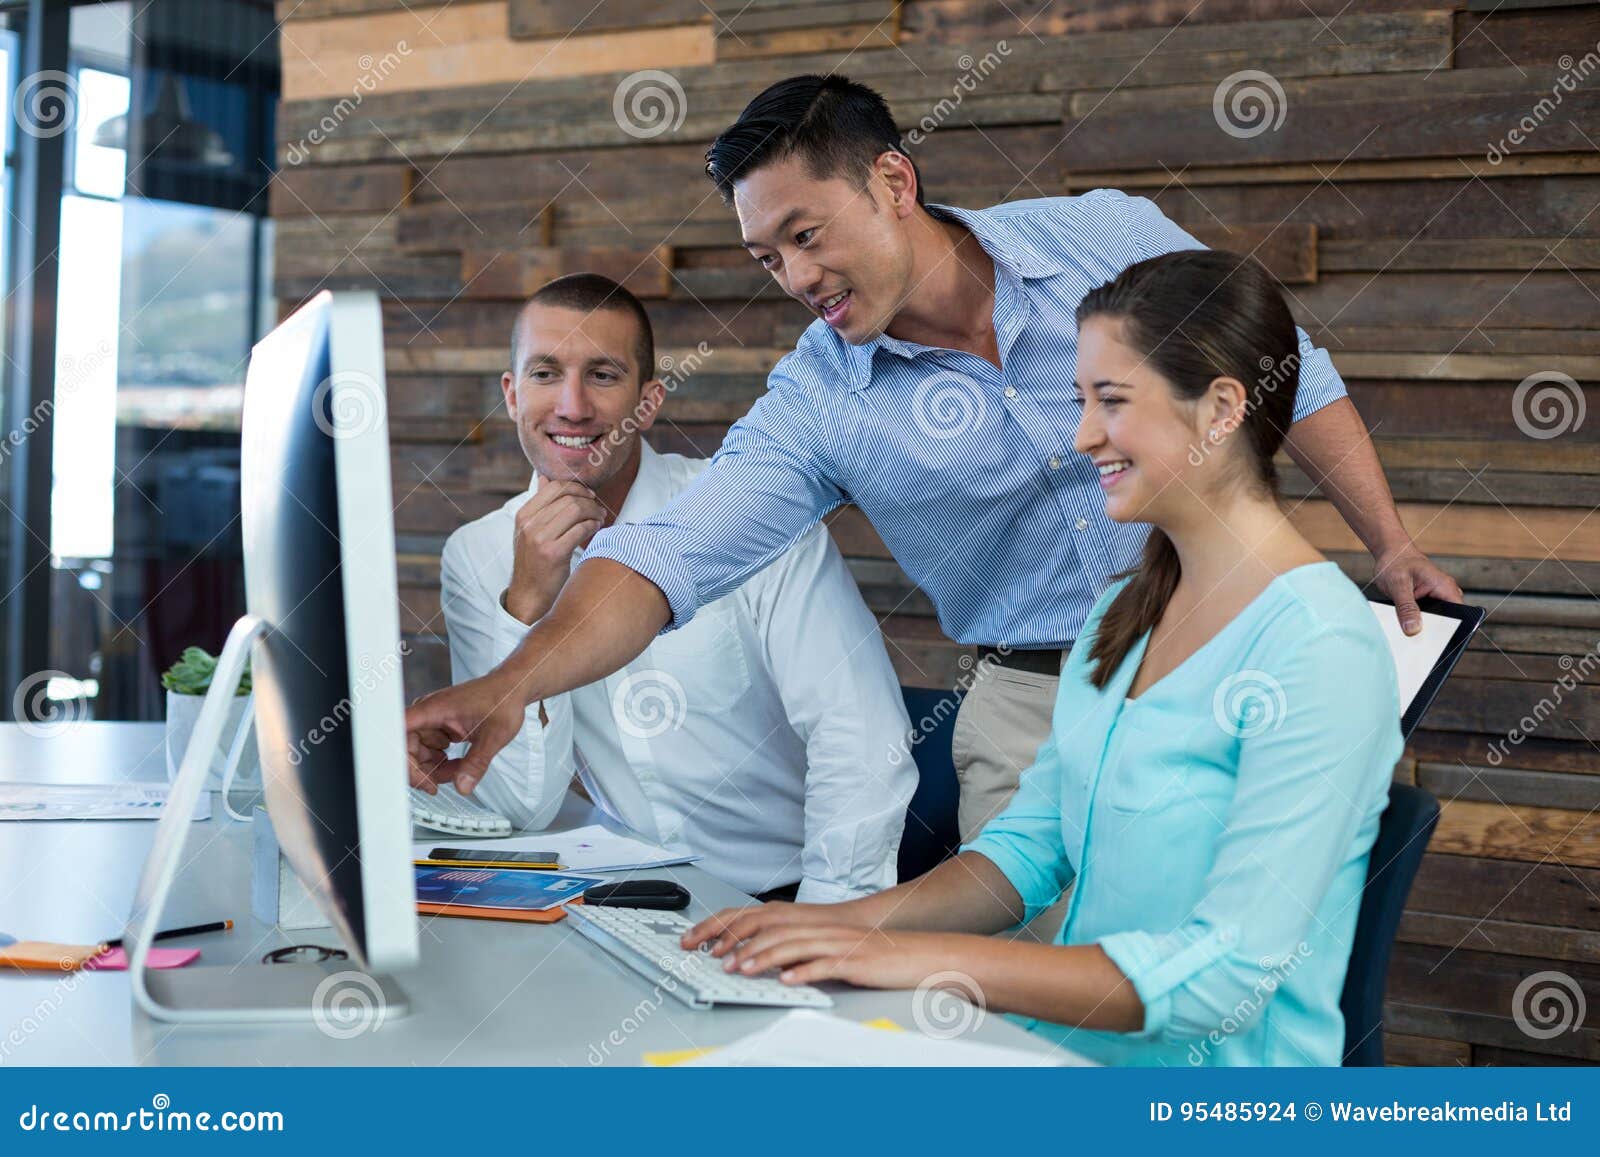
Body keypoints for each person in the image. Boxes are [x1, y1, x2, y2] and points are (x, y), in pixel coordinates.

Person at [406, 74, 1454, 845]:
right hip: (1039, 706)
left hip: (1239, 653)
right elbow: (665, 558)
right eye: (769, 257)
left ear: (893, 180)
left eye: (808, 235)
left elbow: (1286, 369)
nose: (796, 278)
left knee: (1257, 975)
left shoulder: (1103, 238)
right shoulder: (818, 399)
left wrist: (1391, 544)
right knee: (1043, 1022)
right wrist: (509, 684)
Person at [680, 250, 1405, 1067]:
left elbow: (1223, 975)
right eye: (1080, 400)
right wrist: (834, 925)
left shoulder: (1319, 645)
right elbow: (1026, 851)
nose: (1082, 435)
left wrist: (912, 959)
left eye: (1112, 401)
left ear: (1221, 409)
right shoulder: (1120, 614)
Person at [428, 273, 916, 902]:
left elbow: (859, 732)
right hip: (621, 895)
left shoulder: (751, 509)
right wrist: (525, 604)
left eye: (603, 375)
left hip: (782, 894)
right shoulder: (476, 555)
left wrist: (827, 921)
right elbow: (523, 806)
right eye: (545, 374)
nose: (572, 406)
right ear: (512, 395)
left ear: (648, 400)